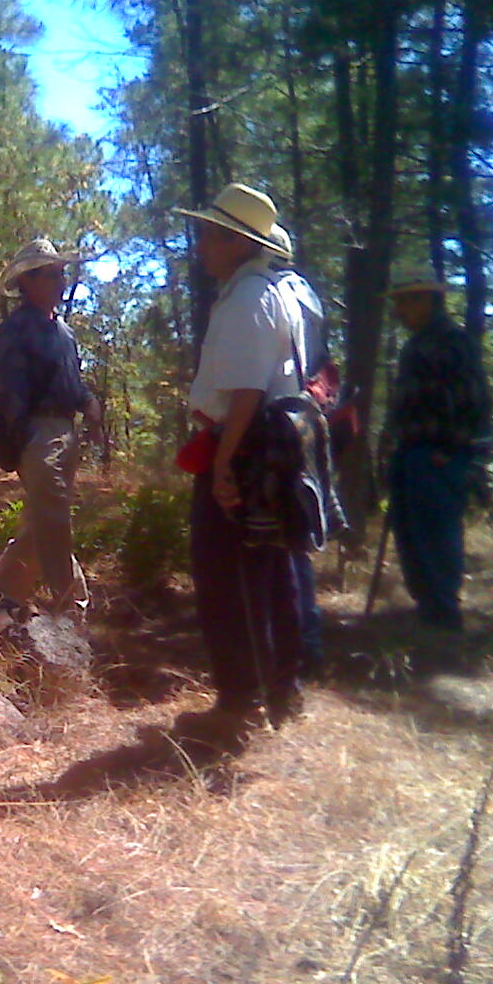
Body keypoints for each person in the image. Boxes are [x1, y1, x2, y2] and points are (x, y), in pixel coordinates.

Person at [178, 184, 304, 734]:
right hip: (247, 445)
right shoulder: (255, 291)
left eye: (209, 234)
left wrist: (225, 466)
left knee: (229, 575)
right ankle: (273, 690)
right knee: (263, 572)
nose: (201, 244)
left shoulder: (252, 297)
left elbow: (248, 391)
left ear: (235, 240)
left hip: (242, 446)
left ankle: (242, 699)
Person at [0, 238, 100, 616]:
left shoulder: (63, 332)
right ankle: (72, 605)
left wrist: (88, 403)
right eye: (52, 275)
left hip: (65, 431)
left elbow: (70, 381)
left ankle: (5, 590)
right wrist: (18, 440)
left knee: (42, 517)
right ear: (29, 282)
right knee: (52, 515)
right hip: (37, 433)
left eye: (62, 273)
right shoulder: (17, 330)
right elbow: (11, 390)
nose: (61, 281)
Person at [385, 264, 492, 630]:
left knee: (437, 537)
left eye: (404, 302)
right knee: (412, 536)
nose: (398, 311)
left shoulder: (453, 343)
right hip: (412, 454)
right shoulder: (417, 344)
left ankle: (444, 616)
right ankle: (428, 610)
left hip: (438, 456)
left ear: (426, 300)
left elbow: (474, 404)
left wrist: (450, 451)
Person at [269, 224, 327, 676]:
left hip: (280, 422)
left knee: (282, 537)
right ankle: (307, 640)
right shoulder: (305, 294)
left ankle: (296, 644)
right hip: (304, 417)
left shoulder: (274, 294)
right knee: (296, 536)